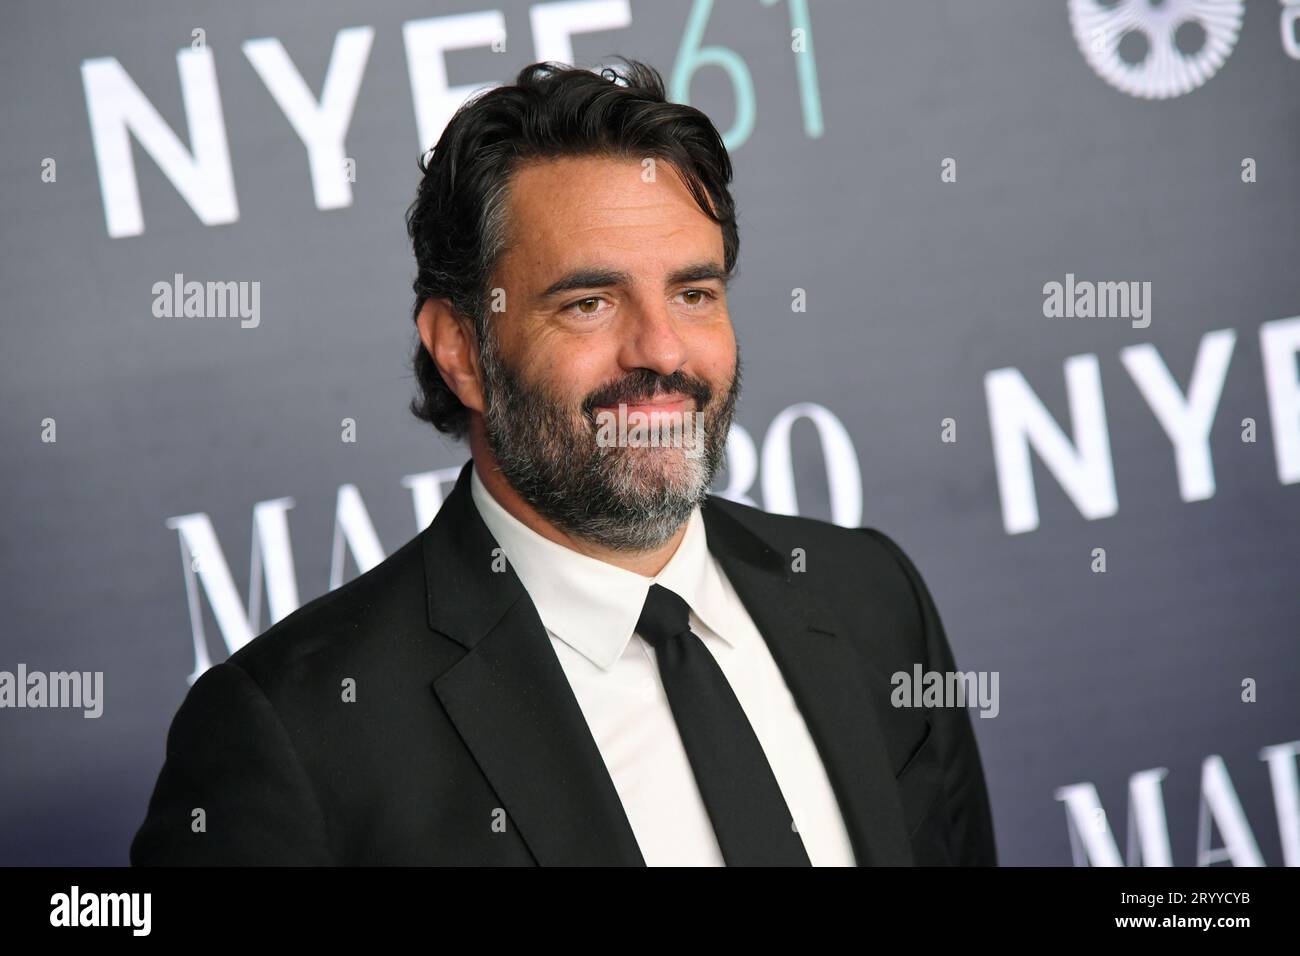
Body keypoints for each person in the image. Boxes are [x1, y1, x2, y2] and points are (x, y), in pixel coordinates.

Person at [130, 58, 996, 866]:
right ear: (462, 351)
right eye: (589, 302)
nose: (662, 351)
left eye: (694, 293)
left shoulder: (871, 598)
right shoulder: (296, 735)